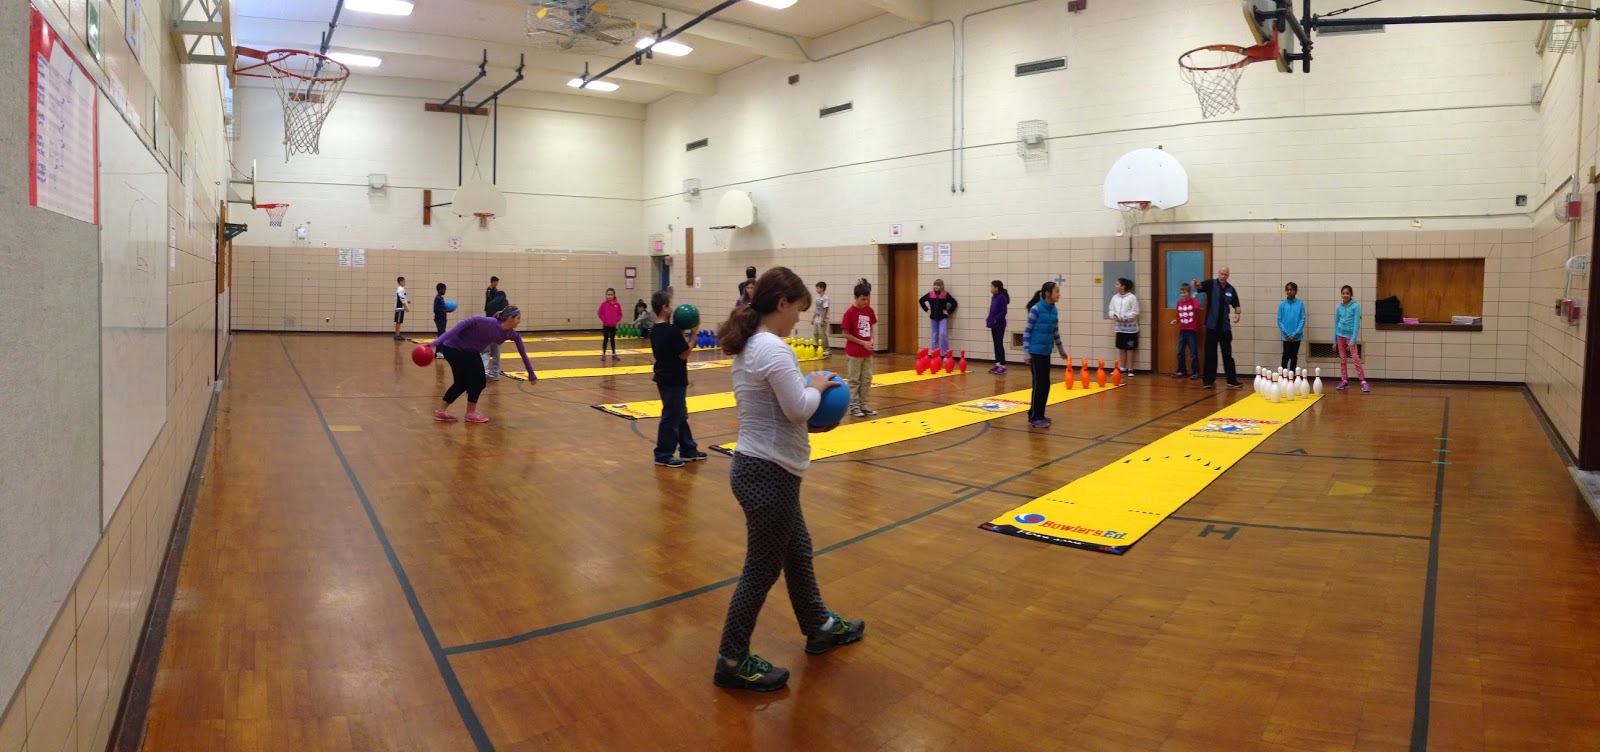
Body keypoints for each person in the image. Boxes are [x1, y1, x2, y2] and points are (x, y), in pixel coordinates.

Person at [713, 267, 863, 692]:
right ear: (782, 304)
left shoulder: (751, 344)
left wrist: (811, 409)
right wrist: (816, 385)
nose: (798, 318)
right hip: (768, 474)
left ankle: (820, 626)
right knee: (761, 569)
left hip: (762, 468)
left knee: (797, 551)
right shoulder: (773, 348)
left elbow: (780, 411)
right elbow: (798, 408)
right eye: (797, 309)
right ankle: (731, 659)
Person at [432, 306, 536, 424]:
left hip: (471, 351)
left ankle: (445, 412)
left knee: (469, 382)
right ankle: (467, 413)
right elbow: (459, 326)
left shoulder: (512, 334)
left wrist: (531, 373)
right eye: (518, 318)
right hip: (454, 348)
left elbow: (523, 354)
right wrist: (436, 342)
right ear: (510, 318)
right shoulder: (487, 322)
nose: (519, 321)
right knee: (473, 382)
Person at [649, 291, 706, 468]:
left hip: (663, 376)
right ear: (664, 308)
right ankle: (663, 454)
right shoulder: (671, 330)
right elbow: (684, 354)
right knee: (671, 417)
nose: (672, 308)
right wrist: (694, 335)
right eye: (669, 305)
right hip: (673, 378)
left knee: (679, 415)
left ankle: (688, 449)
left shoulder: (655, 330)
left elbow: (672, 346)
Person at [1023, 281, 1069, 429]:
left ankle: (1038, 414)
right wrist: (1026, 353)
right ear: (1048, 294)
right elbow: (1027, 332)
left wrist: (1061, 350)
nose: (1059, 294)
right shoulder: (1036, 309)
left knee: (1045, 384)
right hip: (1035, 353)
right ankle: (1034, 417)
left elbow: (1055, 332)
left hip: (1046, 351)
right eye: (1057, 292)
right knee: (1039, 384)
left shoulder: (1054, 310)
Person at [1191, 268, 1243, 390]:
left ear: (1228, 276)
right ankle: (1208, 380)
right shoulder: (1211, 284)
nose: (1223, 276)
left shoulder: (1231, 289)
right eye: (1221, 274)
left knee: (1227, 355)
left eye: (1225, 274)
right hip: (1211, 327)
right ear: (1218, 274)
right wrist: (1196, 283)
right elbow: (1200, 286)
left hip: (1225, 328)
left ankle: (1232, 380)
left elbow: (1236, 305)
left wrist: (1237, 314)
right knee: (1210, 355)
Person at [840, 279, 878, 418]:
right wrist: (862, 343)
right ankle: (854, 407)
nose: (865, 302)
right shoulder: (849, 313)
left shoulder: (869, 311)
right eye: (863, 299)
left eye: (867, 299)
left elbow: (871, 328)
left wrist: (871, 340)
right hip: (854, 353)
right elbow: (845, 334)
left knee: (866, 379)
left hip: (867, 352)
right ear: (856, 297)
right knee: (854, 380)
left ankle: (863, 404)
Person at [1334, 284, 1370, 392]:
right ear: (1341, 294)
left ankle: (1363, 381)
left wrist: (1353, 340)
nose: (1345, 295)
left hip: (1350, 337)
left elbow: (1356, 324)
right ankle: (1344, 380)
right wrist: (1334, 341)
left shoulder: (1355, 306)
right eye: (1343, 293)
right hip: (1340, 335)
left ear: (1351, 295)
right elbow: (1336, 324)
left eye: (1347, 293)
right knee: (1342, 359)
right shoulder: (1339, 307)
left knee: (1355, 358)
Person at [1108, 278, 1139, 378]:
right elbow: (1111, 310)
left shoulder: (1132, 298)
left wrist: (1123, 317)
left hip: (1130, 329)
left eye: (1117, 284)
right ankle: (1122, 368)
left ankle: (1130, 368)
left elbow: (1135, 311)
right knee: (1121, 348)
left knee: (1130, 349)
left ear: (1123, 286)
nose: (1115, 286)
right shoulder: (1114, 298)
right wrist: (1114, 315)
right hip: (1119, 328)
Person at [919, 279, 958, 354]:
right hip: (933, 318)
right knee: (934, 336)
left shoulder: (945, 294)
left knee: (943, 334)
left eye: (938, 285)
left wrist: (948, 312)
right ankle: (935, 354)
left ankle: (945, 354)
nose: (936, 287)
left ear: (941, 286)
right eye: (935, 285)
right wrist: (927, 310)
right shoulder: (930, 294)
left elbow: (954, 303)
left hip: (942, 318)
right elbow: (921, 300)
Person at [1171, 283, 1200, 379]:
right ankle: (1181, 370)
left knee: (1193, 353)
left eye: (1185, 292)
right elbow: (1179, 315)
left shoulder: (1192, 301)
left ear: (1189, 293)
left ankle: (1196, 372)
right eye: (1181, 293)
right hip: (1183, 331)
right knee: (1180, 352)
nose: (1183, 294)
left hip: (1191, 331)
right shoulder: (1179, 303)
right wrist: (1176, 320)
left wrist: (1194, 298)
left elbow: (1197, 307)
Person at [481, 287, 509, 379]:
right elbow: (506, 316)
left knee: (486, 352)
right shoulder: (504, 302)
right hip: (498, 331)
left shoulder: (490, 303)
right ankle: (495, 374)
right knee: (496, 354)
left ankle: (483, 371)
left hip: (487, 330)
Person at [1279, 282, 1306, 371]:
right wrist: (1287, 334)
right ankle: (1283, 375)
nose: (1289, 291)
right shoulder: (1282, 304)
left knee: (1294, 356)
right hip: (1286, 336)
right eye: (1288, 290)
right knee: (1285, 356)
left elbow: (1302, 319)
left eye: (1291, 289)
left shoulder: (1300, 304)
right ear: (1285, 291)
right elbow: (1279, 320)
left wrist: (1295, 333)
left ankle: (1292, 375)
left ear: (1296, 291)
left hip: (1296, 337)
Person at [986, 280, 1009, 374]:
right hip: (994, 324)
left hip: (1000, 324)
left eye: (992, 286)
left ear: (996, 288)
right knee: (995, 343)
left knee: (999, 343)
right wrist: (989, 319)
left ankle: (1003, 365)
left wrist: (996, 319)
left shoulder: (1002, 297)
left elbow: (1003, 311)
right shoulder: (993, 297)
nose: (991, 288)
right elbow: (992, 310)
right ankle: (997, 363)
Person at [597, 288, 623, 361]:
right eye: (608, 295)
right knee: (605, 339)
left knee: (612, 339)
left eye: (611, 295)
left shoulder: (617, 305)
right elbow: (599, 313)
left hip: (613, 326)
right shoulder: (604, 304)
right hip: (606, 325)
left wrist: (616, 320)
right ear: (606, 295)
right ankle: (604, 354)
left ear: (614, 295)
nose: (610, 296)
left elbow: (620, 314)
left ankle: (614, 354)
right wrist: (604, 319)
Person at [812, 281, 831, 356]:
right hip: (817, 319)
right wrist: (813, 318)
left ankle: (826, 349)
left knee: (822, 334)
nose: (816, 290)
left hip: (823, 319)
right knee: (816, 334)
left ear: (822, 288)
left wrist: (822, 320)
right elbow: (817, 309)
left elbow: (825, 309)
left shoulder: (826, 298)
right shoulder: (817, 298)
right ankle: (820, 348)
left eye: (818, 288)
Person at [393, 276, 410, 340]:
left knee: (399, 322)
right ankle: (397, 335)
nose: (405, 282)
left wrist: (407, 301)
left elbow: (403, 298)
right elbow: (401, 299)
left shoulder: (401, 289)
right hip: (399, 308)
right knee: (398, 322)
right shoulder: (400, 289)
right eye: (404, 281)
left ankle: (397, 334)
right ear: (400, 282)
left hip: (400, 308)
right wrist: (406, 307)